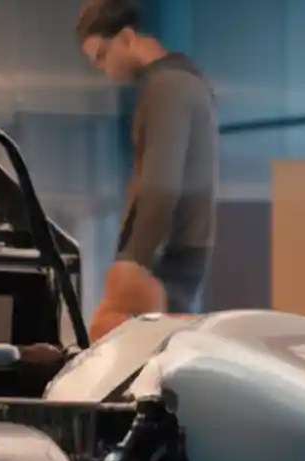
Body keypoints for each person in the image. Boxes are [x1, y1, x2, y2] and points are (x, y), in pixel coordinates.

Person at [75, 0, 219, 342]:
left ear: (126, 38)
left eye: (101, 56)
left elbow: (162, 181)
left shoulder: (166, 86)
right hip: (182, 251)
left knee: (104, 340)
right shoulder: (189, 82)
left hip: (162, 254)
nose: (103, 70)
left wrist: (135, 259)